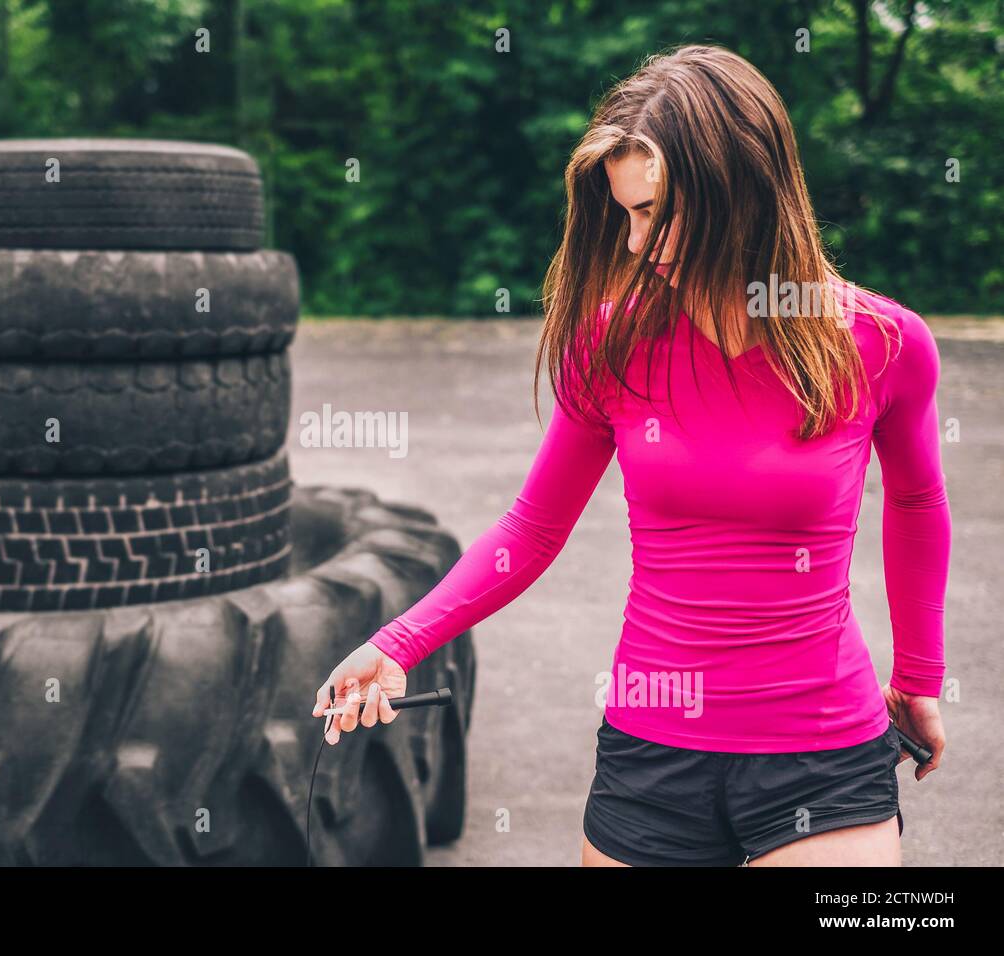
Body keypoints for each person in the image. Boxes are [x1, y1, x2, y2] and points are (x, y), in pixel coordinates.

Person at [310, 44, 950, 867]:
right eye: (627, 214)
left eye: (656, 211)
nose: (639, 241)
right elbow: (532, 528)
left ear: (741, 191)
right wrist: (397, 642)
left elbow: (918, 503)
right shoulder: (613, 341)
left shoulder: (882, 343)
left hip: (821, 750)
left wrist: (922, 673)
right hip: (654, 752)